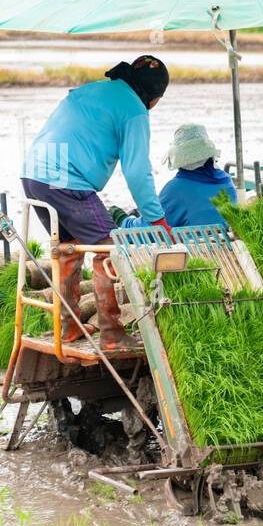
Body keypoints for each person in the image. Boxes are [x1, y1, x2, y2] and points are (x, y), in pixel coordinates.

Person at [20, 55, 171, 352]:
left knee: (69, 248)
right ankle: (113, 334)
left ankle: (69, 327)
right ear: (153, 98)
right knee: (109, 250)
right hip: (66, 182)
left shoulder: (92, 90)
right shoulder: (134, 110)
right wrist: (156, 218)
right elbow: (137, 171)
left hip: (33, 176)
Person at [115, 123, 238, 230]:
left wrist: (123, 220)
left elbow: (149, 230)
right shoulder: (226, 182)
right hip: (221, 250)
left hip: (191, 254)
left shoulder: (175, 189)